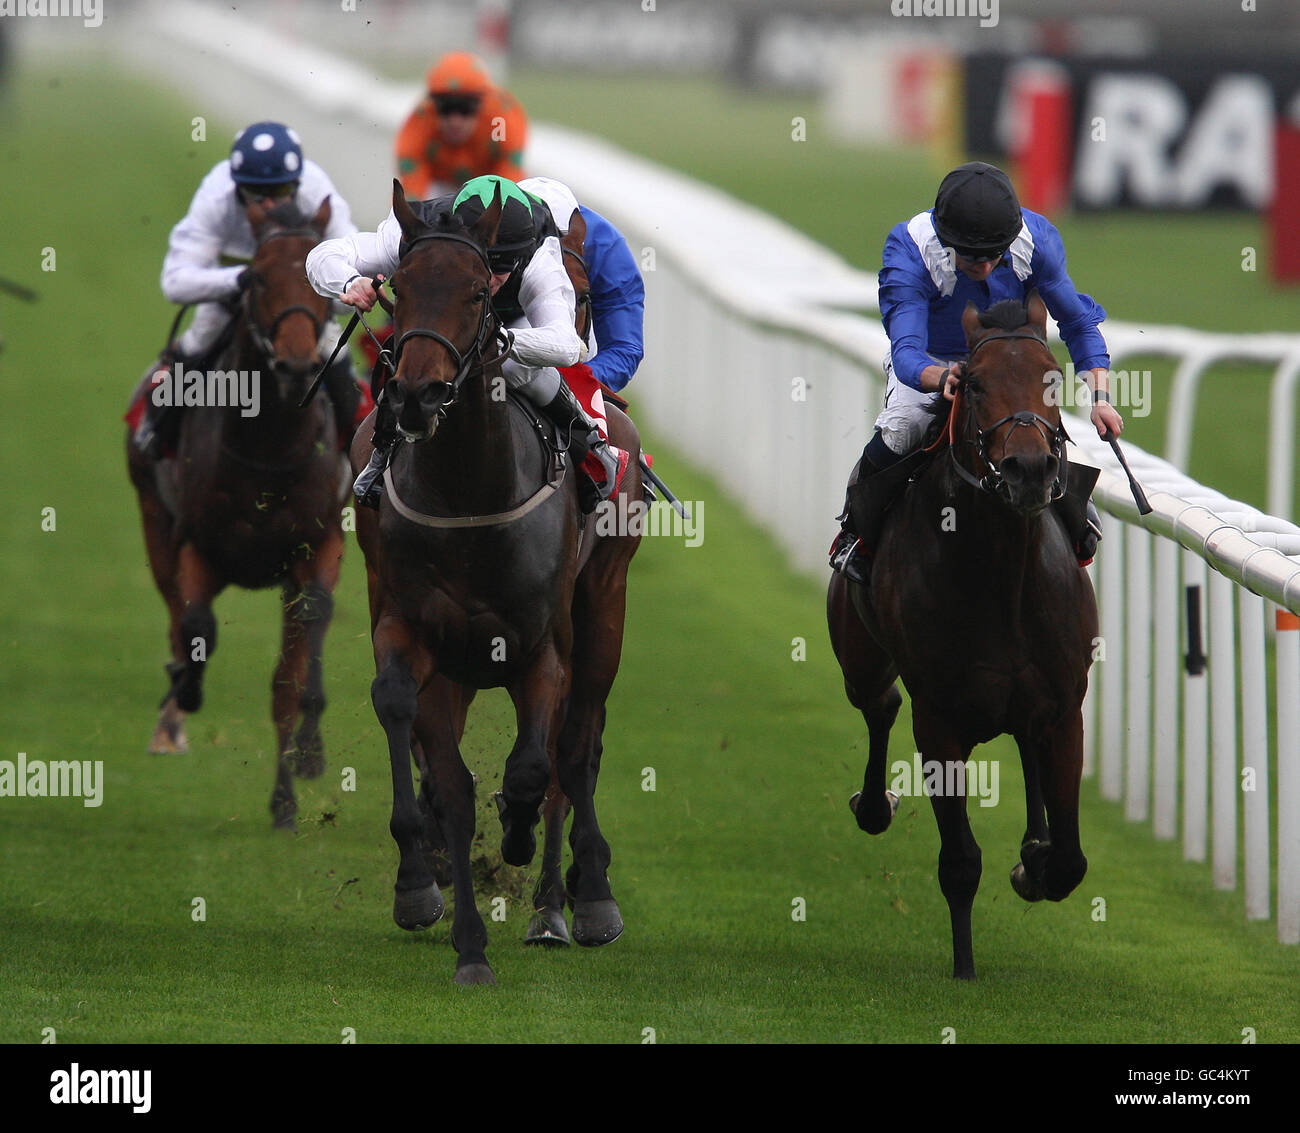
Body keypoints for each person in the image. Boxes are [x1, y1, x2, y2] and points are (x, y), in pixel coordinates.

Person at [829, 161, 1123, 582]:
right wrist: (941, 377)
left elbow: (1077, 324)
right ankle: (855, 533)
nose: (984, 267)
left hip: (1008, 360)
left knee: (1040, 429)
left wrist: (1101, 399)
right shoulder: (910, 250)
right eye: (970, 257)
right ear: (947, 240)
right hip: (932, 360)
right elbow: (907, 348)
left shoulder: (1037, 241)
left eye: (994, 256)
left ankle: (1075, 514)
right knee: (903, 425)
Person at [304, 173, 629, 511]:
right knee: (409, 354)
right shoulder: (411, 230)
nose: (491, 279)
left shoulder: (540, 255)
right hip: (447, 314)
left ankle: (589, 443)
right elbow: (322, 256)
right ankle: (383, 446)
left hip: (510, 325)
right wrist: (350, 282)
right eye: (487, 263)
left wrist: (496, 338)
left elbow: (563, 344)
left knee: (517, 367)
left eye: (503, 266)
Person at [130, 121, 363, 459]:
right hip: (233, 293)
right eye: (255, 194)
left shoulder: (318, 192)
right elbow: (175, 282)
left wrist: (324, 292)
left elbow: (350, 276)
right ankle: (155, 431)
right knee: (199, 341)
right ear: (236, 185)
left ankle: (362, 449)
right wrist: (242, 279)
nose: (268, 206)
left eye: (280, 191)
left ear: (297, 184)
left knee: (335, 354)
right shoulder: (216, 195)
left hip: (300, 297)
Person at [516, 175, 645, 434]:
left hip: (579, 355)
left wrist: (569, 383)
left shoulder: (606, 247)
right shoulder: (493, 234)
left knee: (620, 440)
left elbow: (624, 348)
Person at [395, 51, 528, 200]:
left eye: (466, 108)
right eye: (445, 108)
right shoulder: (421, 119)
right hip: (439, 185)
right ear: (433, 105)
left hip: (489, 182)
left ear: (482, 103)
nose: (455, 121)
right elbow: (412, 189)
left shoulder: (501, 117)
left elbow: (510, 174)